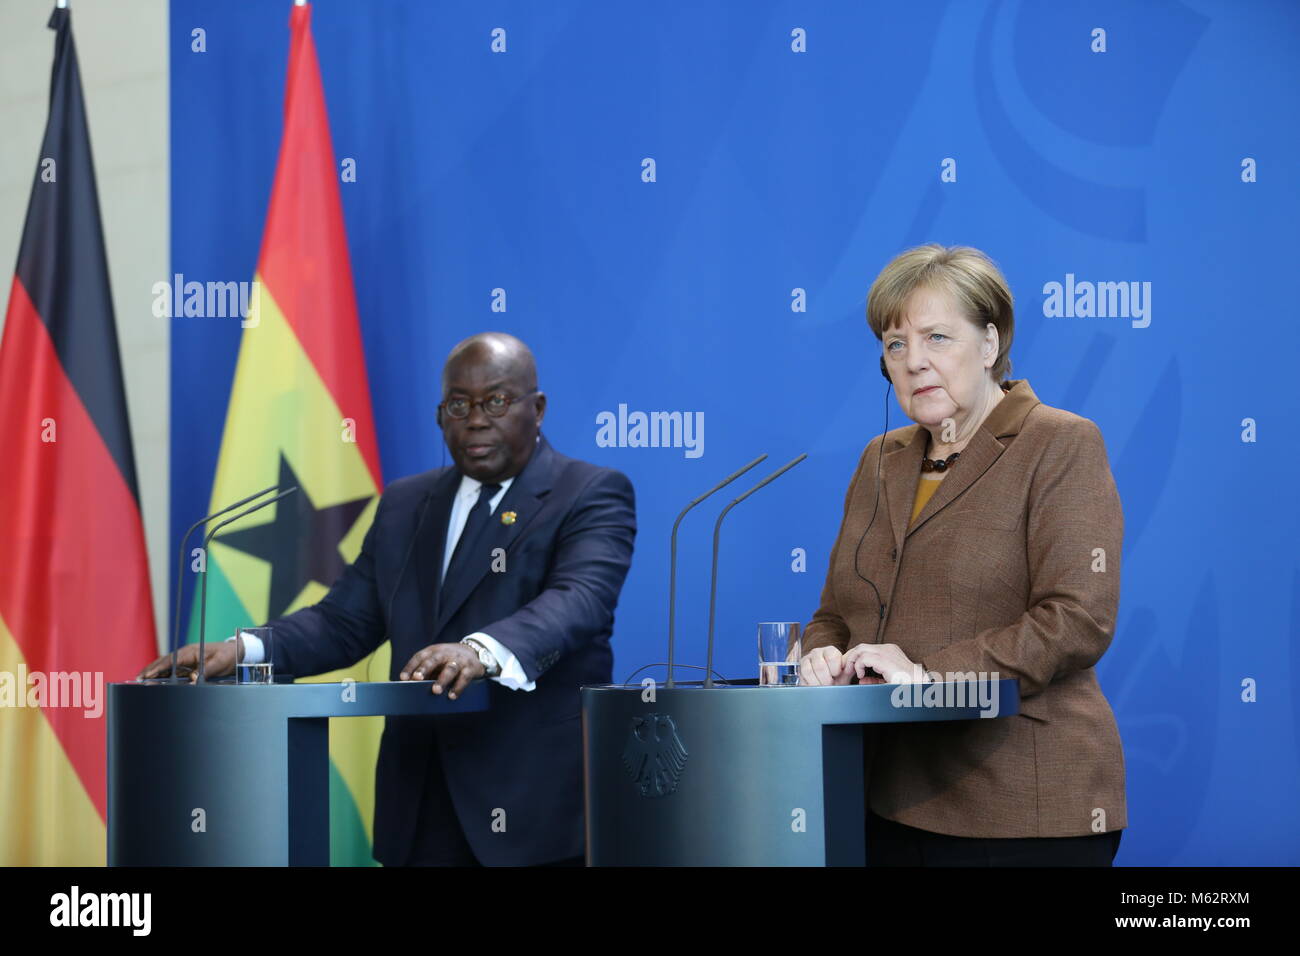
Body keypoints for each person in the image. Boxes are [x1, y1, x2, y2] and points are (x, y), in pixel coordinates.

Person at [140, 332, 637, 866]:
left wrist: (481, 651)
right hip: (419, 804)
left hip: (529, 805)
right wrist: (244, 650)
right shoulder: (407, 502)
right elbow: (344, 622)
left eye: (495, 401)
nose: (475, 419)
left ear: (536, 409)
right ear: (440, 414)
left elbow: (579, 601)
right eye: (458, 404)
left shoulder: (589, 493)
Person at [799, 244, 1126, 866]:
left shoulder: (1060, 442)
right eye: (895, 345)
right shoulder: (879, 458)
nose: (914, 362)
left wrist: (925, 677)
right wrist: (820, 656)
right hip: (882, 801)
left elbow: (1077, 619)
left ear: (990, 344)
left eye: (937, 337)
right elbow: (836, 615)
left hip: (1023, 807)